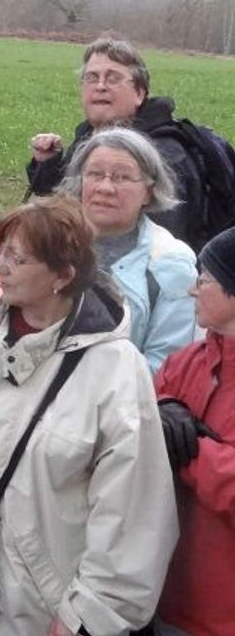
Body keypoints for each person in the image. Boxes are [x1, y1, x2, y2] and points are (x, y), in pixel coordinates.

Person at [0, 196, 177, 636]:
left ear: (63, 275)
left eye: (17, 257)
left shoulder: (118, 370)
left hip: (41, 616)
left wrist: (88, 616)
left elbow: (133, 512)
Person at [28, 36, 207, 249]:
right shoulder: (90, 135)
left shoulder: (163, 154)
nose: (100, 86)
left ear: (139, 93)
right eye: (91, 78)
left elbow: (157, 246)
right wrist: (48, 164)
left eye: (113, 78)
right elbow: (67, 193)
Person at [57, 128, 197, 371]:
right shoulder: (48, 243)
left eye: (121, 177)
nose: (105, 187)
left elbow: (165, 365)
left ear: (149, 191)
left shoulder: (171, 262)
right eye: (94, 174)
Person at [154, 226, 235, 636]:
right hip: (164, 598)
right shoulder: (185, 362)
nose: (191, 291)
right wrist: (161, 409)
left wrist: (189, 450)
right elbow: (130, 431)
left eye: (204, 280)